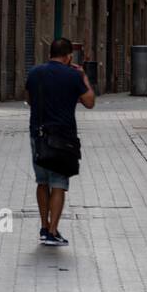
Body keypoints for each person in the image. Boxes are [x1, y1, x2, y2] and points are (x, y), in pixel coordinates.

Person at [24, 38, 95, 247]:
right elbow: (90, 102)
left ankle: (44, 227)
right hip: (62, 137)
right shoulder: (74, 75)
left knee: (42, 181)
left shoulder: (35, 73)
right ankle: (53, 231)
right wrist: (84, 77)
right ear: (68, 57)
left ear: (50, 54)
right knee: (59, 184)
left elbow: (28, 99)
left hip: (37, 134)